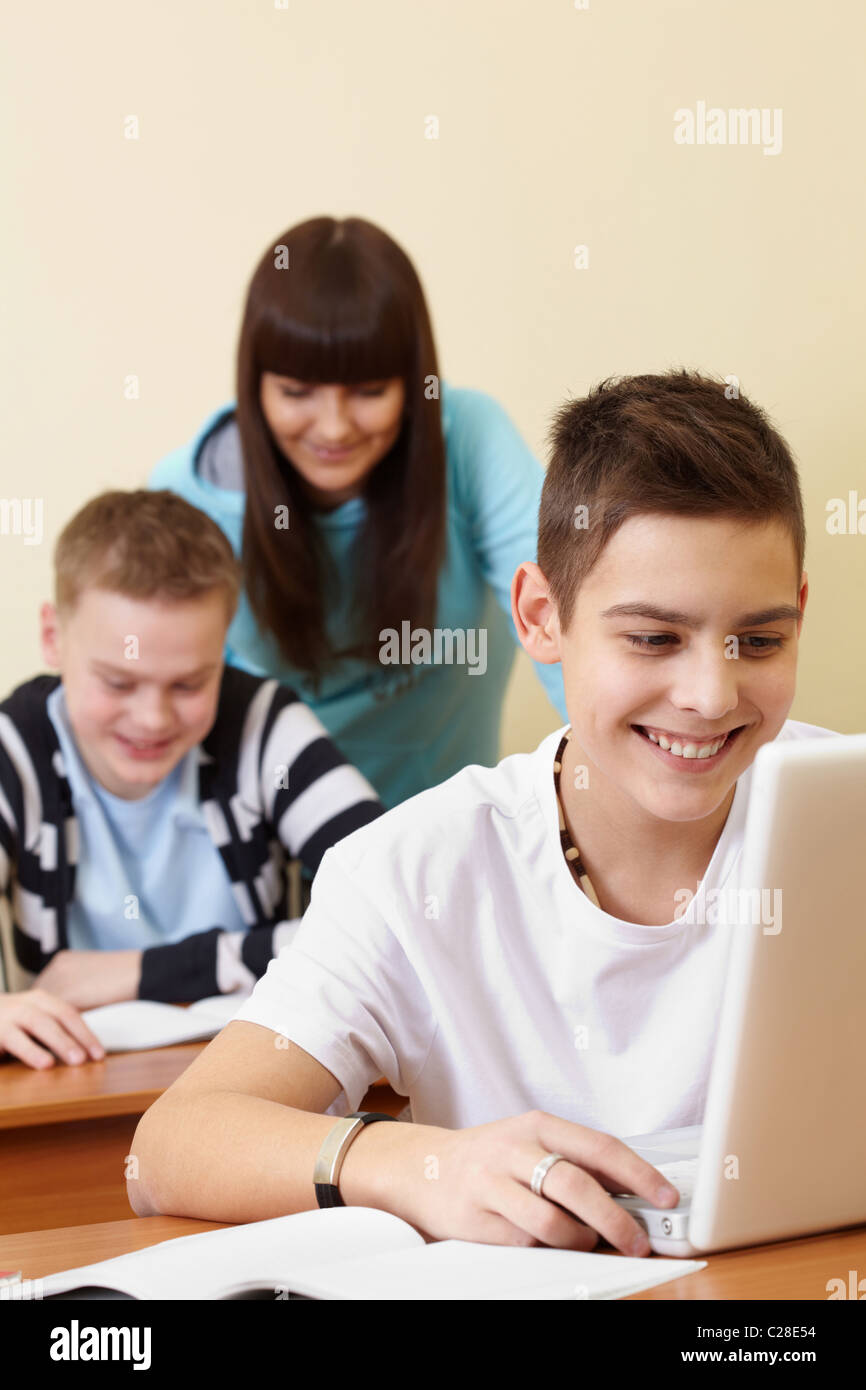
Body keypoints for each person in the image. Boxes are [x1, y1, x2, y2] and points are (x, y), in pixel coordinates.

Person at [128, 371, 840, 1256]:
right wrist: (421, 1166)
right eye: (654, 638)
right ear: (542, 617)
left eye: (760, 640)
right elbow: (167, 1150)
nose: (710, 693)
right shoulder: (420, 866)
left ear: (800, 615)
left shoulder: (839, 813)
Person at [149, 216, 567, 811]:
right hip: (272, 848)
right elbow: (160, 704)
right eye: (297, 393)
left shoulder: (471, 439)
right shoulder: (192, 496)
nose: (334, 427)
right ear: (254, 386)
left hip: (444, 840)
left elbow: (567, 619)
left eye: (369, 391)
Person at [0, 490, 383, 1070]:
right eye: (119, 683)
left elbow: (394, 913)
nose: (153, 719)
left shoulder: (262, 723)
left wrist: (144, 971)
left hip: (254, 1072)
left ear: (223, 653)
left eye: (188, 685)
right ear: (53, 637)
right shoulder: (14, 748)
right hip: (70, 1085)